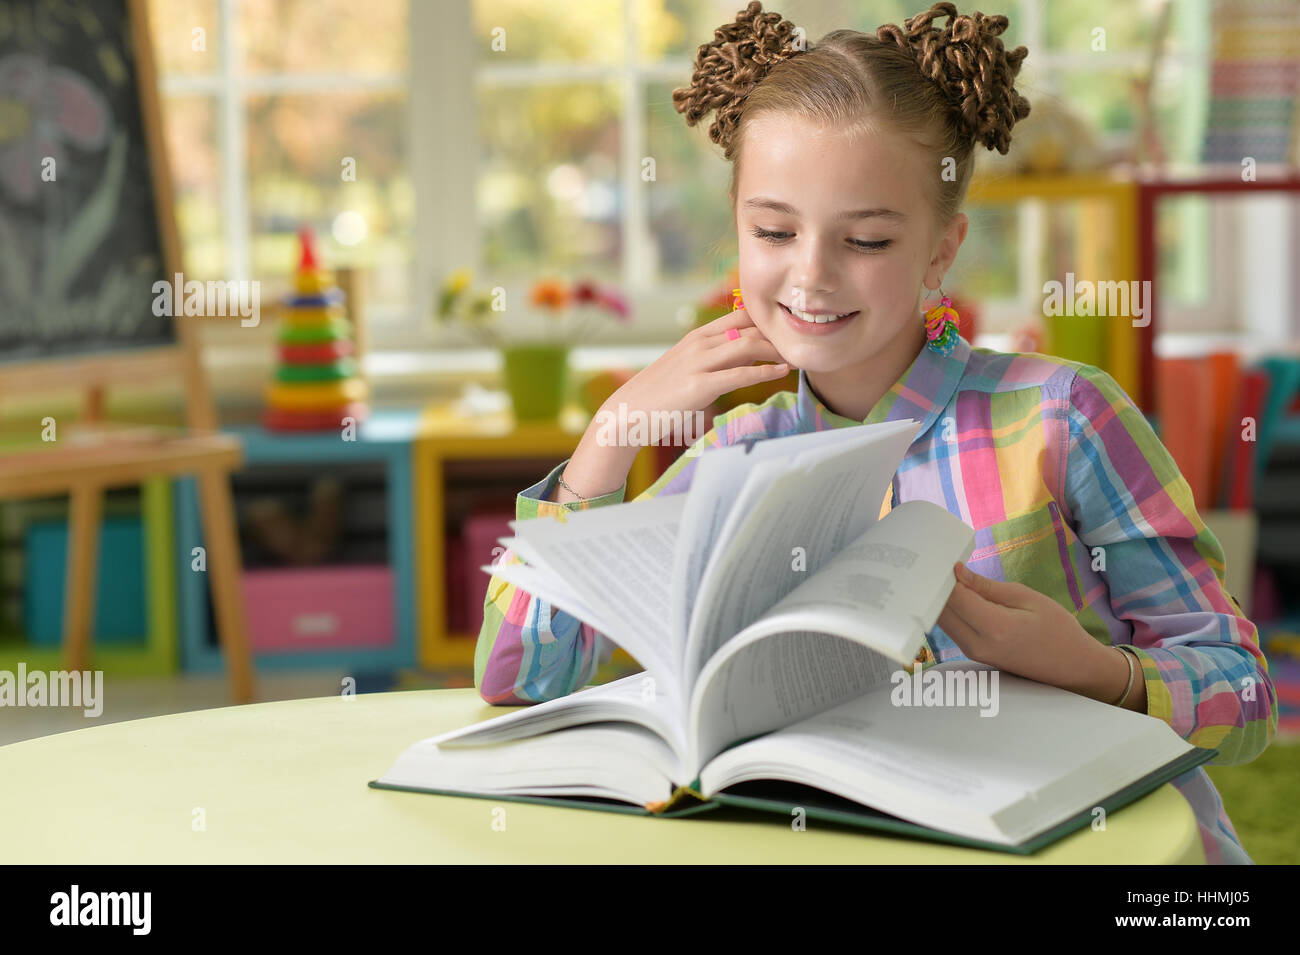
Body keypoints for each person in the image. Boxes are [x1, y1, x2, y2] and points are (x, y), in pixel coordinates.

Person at [473, 1, 1276, 864]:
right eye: (774, 230)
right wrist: (612, 437)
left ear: (940, 251)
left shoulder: (1063, 415)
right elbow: (518, 677)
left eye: (865, 238)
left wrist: (1093, 669)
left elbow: (1246, 698)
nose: (811, 274)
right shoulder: (735, 457)